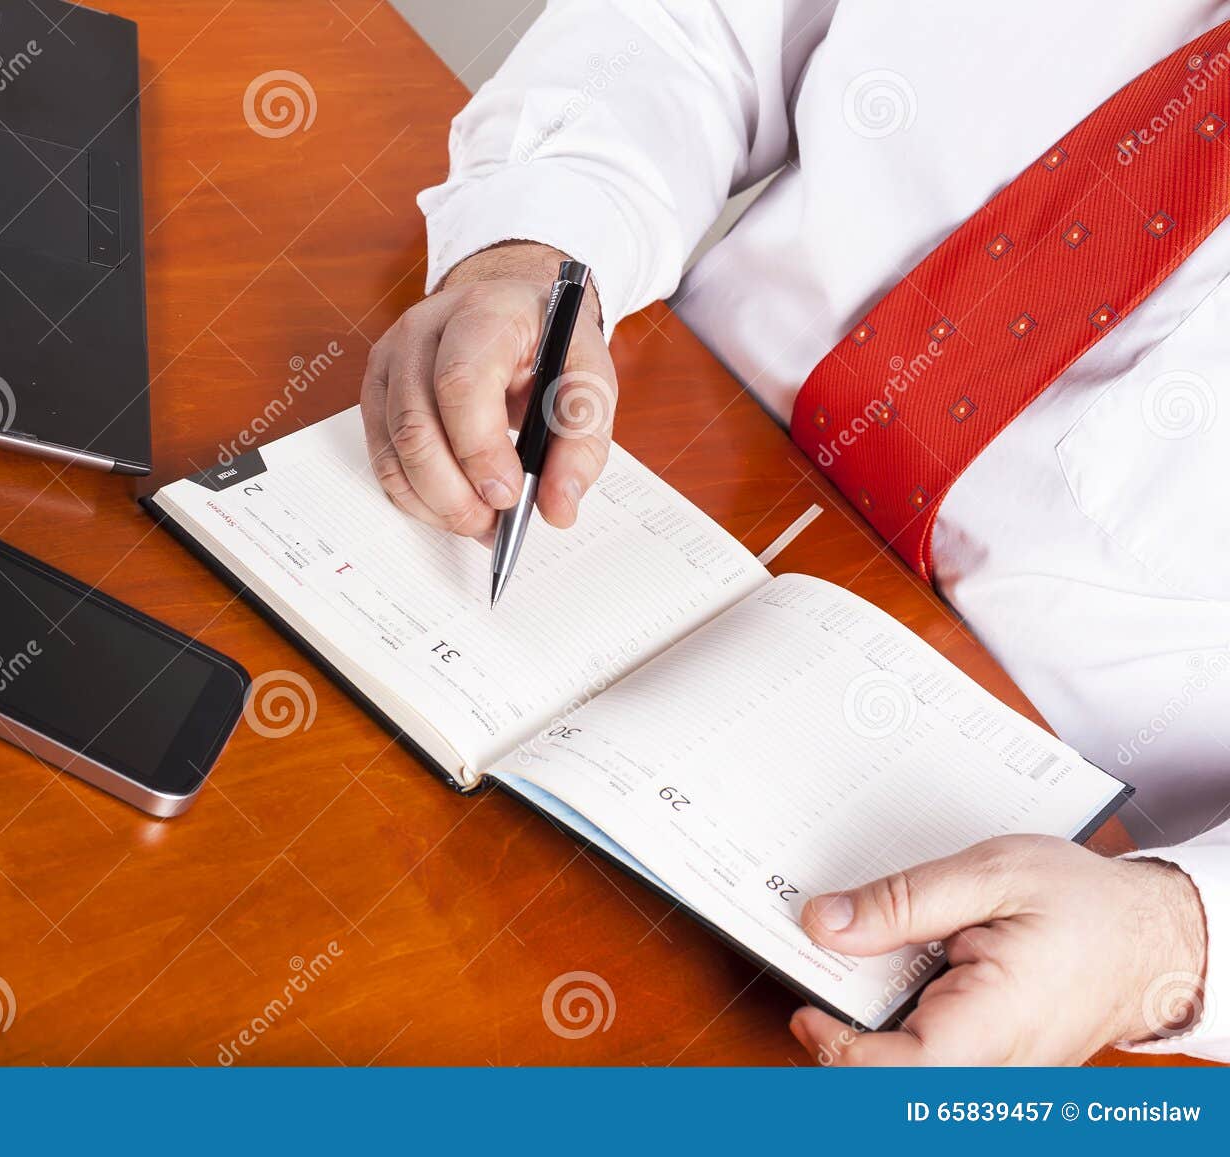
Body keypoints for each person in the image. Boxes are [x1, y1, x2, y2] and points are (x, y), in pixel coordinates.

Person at [361, 0, 1229, 1065]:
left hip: (1007, 899)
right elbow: (700, 30)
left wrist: (1169, 942)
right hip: (641, 477)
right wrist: (537, 249)